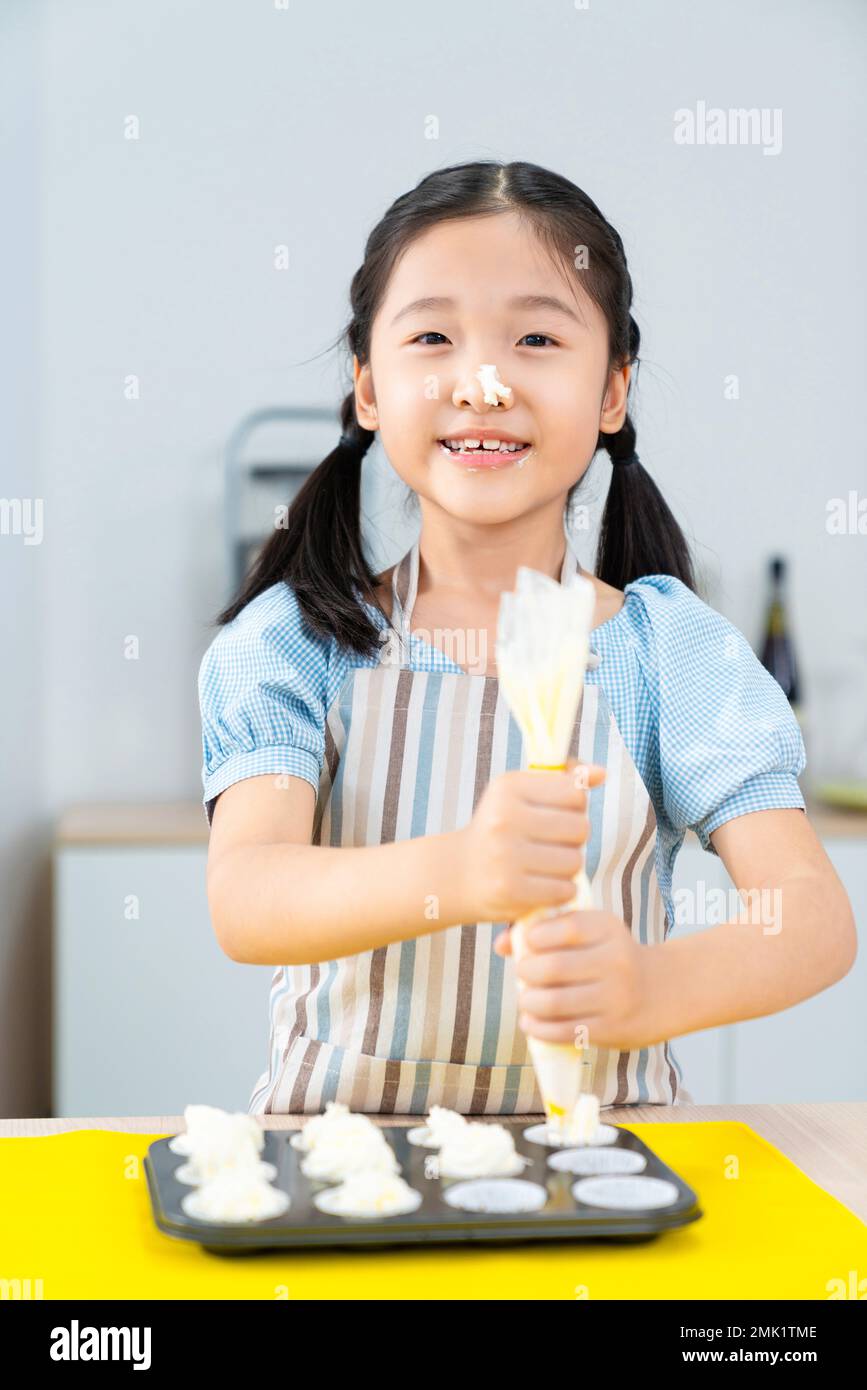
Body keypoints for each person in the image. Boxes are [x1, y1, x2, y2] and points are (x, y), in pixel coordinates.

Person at [198, 159, 856, 1115]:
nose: (484, 381)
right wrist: (461, 869)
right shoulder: (297, 641)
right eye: (431, 336)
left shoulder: (668, 652)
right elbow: (247, 898)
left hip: (607, 1184)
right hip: (338, 1185)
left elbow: (810, 919)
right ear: (369, 389)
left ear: (611, 393)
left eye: (537, 337)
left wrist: (646, 989)